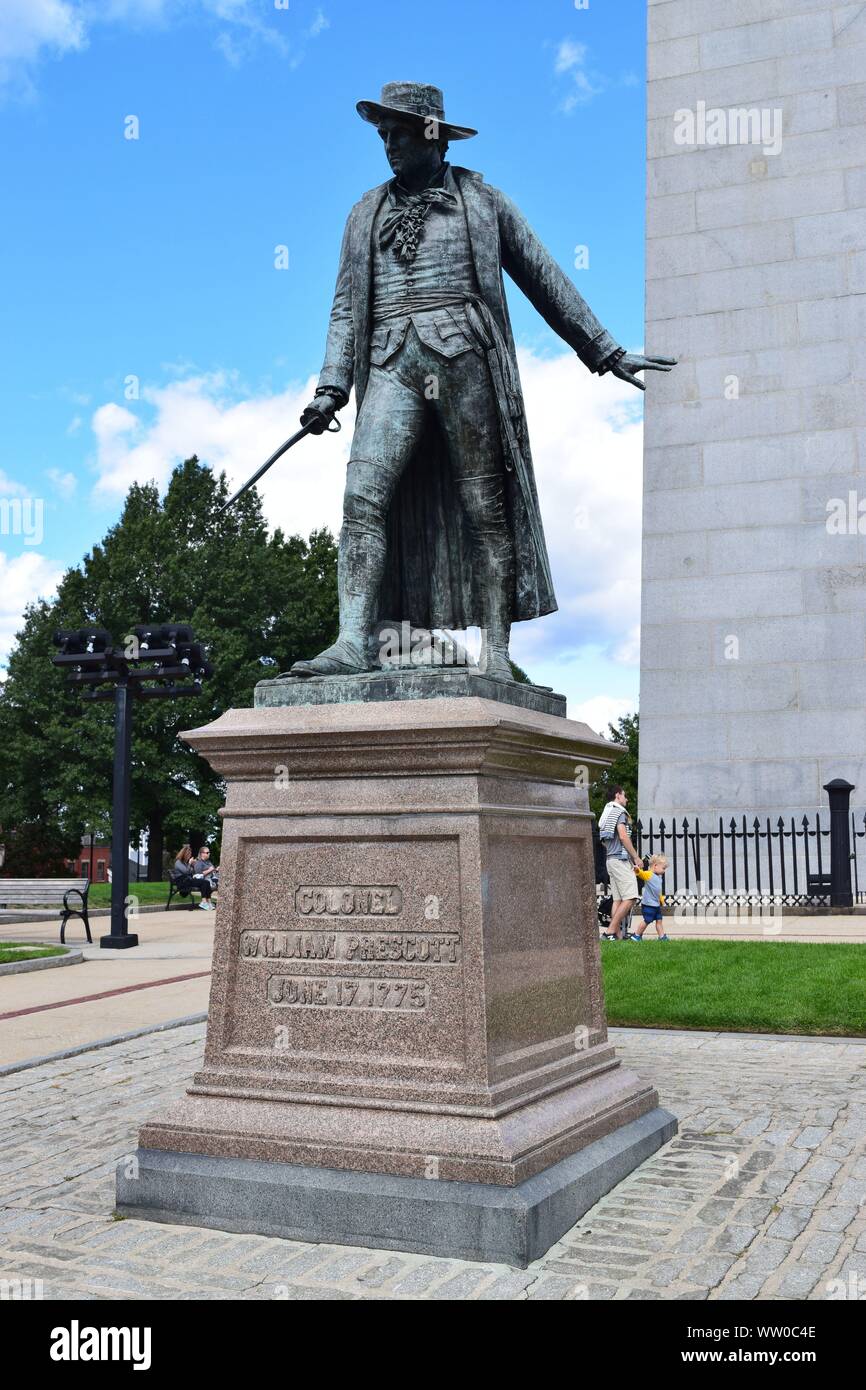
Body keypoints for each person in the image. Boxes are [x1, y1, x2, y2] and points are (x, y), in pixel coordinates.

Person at [289, 81, 674, 680]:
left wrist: (606, 350)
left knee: (484, 506)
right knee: (361, 498)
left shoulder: (482, 200)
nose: (388, 144)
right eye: (383, 134)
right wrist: (330, 388)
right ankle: (351, 640)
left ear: (433, 135)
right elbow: (345, 307)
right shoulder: (363, 212)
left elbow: (543, 277)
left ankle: (496, 650)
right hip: (391, 358)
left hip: (464, 356)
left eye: (398, 132)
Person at [597, 787, 642, 940]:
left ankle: (617, 936)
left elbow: (604, 842)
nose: (626, 799)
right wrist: (635, 857)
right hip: (620, 861)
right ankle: (609, 932)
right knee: (631, 897)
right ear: (618, 795)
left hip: (610, 860)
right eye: (625, 795)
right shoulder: (620, 813)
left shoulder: (607, 813)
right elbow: (623, 836)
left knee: (617, 899)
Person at [631, 855, 670, 941]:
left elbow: (658, 891)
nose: (664, 871)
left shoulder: (658, 877)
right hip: (649, 904)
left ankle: (662, 936)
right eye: (663, 868)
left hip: (655, 905)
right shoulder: (649, 874)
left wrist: (662, 901)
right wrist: (638, 870)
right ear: (655, 866)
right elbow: (641, 874)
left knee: (659, 920)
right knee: (647, 920)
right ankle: (636, 935)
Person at [173, 845, 215, 911]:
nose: (189, 856)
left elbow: (191, 872)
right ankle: (204, 902)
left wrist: (192, 865)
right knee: (203, 882)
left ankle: (208, 902)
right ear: (184, 854)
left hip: (188, 880)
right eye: (188, 854)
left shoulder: (185, 863)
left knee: (206, 882)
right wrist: (190, 864)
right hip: (182, 882)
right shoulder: (178, 862)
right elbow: (185, 872)